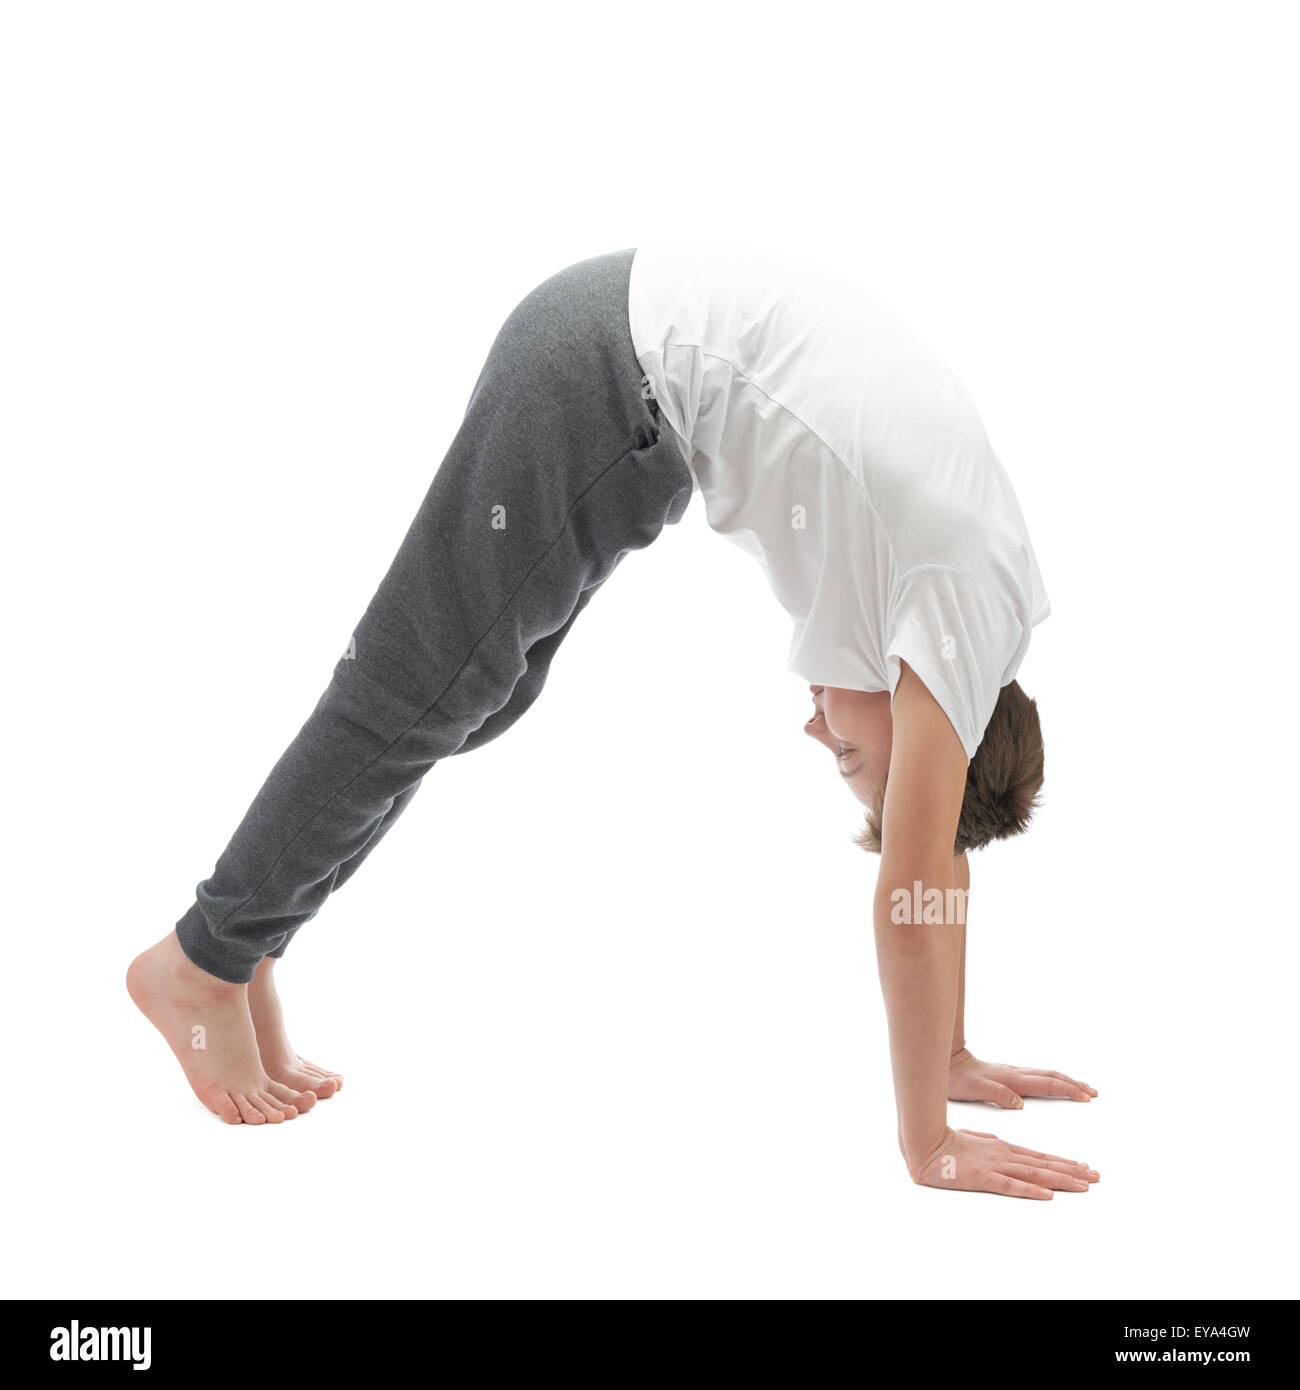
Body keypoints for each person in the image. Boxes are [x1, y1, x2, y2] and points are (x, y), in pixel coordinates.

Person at [129, 245, 1099, 1199]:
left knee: (477, 693)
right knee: (417, 683)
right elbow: (916, 885)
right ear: (942, 734)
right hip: (604, 375)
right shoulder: (951, 611)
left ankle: (251, 936)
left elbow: (937, 862)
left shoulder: (983, 614)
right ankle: (199, 959)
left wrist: (951, 1051)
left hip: (625, 386)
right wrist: (926, 1140)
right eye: (850, 752)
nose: (816, 735)